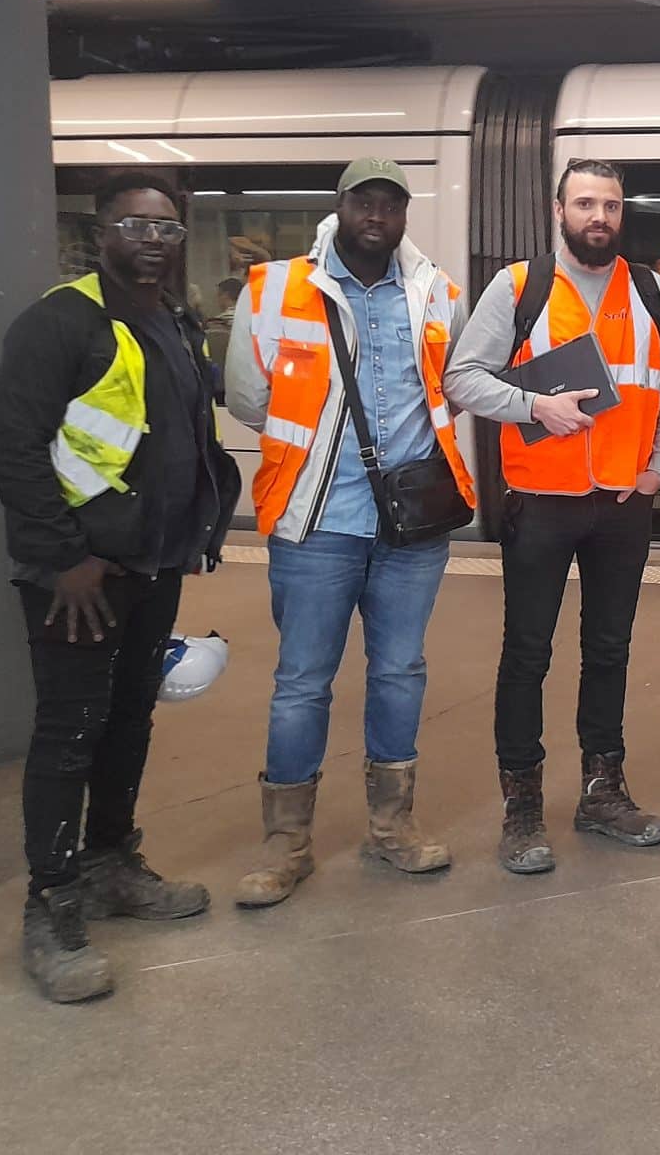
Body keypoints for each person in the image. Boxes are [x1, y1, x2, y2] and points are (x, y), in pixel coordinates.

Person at [0, 172, 240, 1003]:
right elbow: (12, 448)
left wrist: (197, 528)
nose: (154, 240)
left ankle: (110, 865)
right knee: (70, 732)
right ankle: (51, 905)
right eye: (137, 225)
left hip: (151, 565)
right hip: (78, 579)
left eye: (167, 228)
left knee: (128, 721)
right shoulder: (60, 322)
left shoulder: (174, 320)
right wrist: (63, 556)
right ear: (101, 232)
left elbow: (179, 439)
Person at [225, 158, 476, 906]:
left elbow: (451, 389)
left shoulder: (437, 294)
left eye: (390, 203)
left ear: (404, 214)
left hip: (413, 528)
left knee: (401, 673)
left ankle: (391, 827)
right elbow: (247, 398)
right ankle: (287, 842)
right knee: (302, 683)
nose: (377, 214)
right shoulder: (272, 288)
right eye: (364, 200)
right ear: (340, 207)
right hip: (316, 523)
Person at [443, 158, 660, 873]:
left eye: (610, 205)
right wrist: (533, 407)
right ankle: (522, 808)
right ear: (559, 211)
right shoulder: (519, 288)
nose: (599, 217)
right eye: (585, 203)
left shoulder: (648, 290)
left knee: (609, 651)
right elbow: (462, 377)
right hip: (542, 506)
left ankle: (602, 791)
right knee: (527, 655)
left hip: (622, 505)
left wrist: (658, 470)